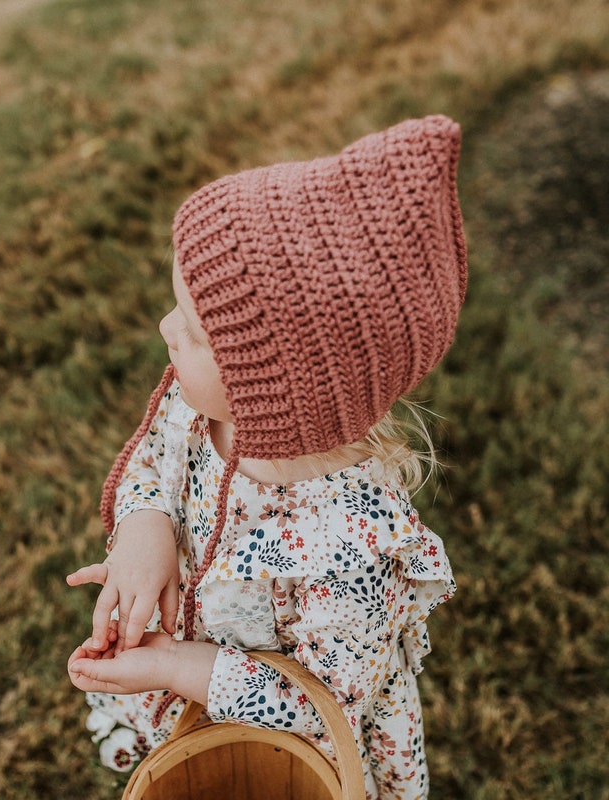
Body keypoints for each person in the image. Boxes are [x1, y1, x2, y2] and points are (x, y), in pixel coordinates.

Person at [67, 114, 467, 798]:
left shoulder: (351, 545)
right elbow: (151, 464)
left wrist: (175, 667)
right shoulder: (203, 410)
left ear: (277, 390)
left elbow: (321, 710)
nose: (165, 327)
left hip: (301, 756)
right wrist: (145, 530)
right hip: (200, 687)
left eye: (190, 330)